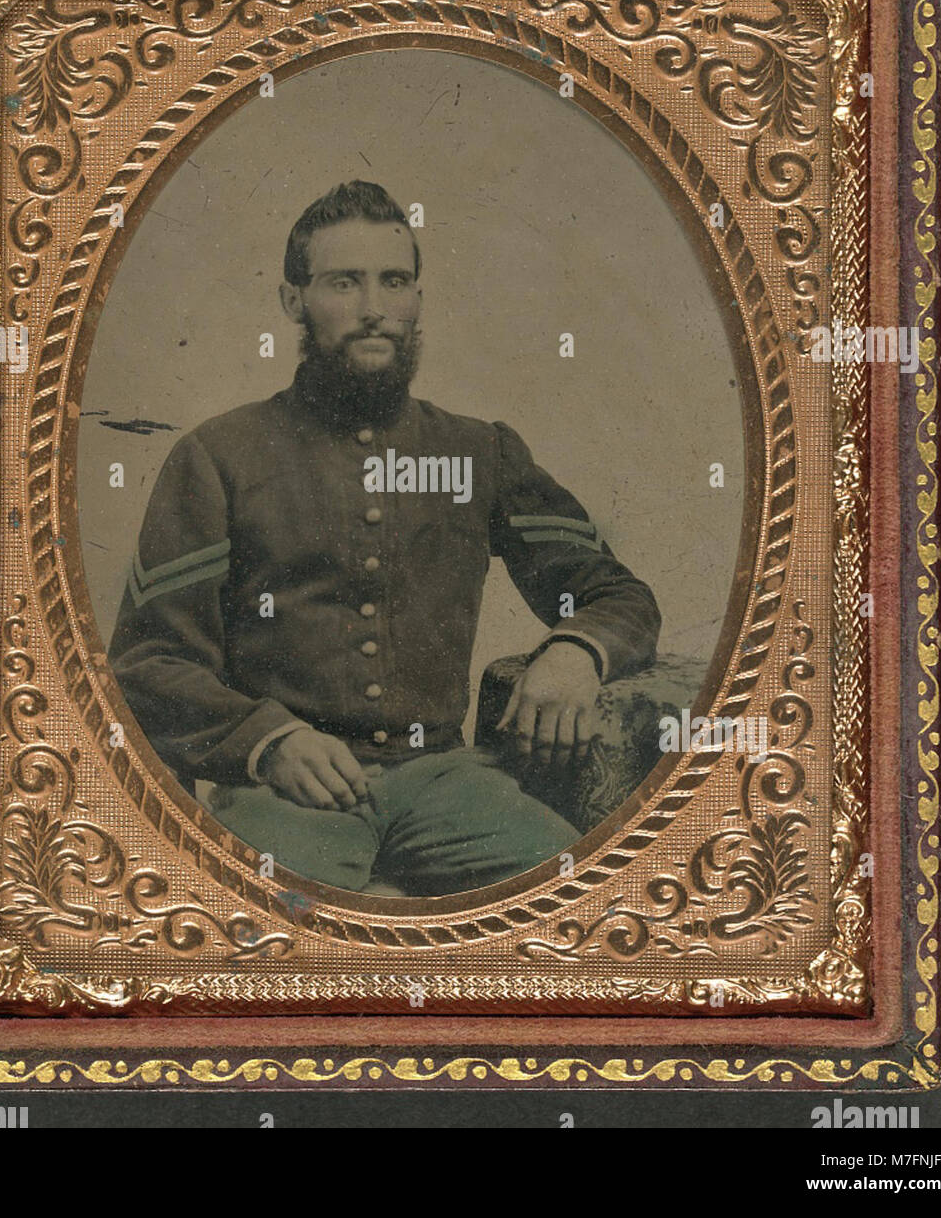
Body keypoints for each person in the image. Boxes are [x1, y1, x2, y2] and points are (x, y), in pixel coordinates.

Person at [108, 181, 660, 895]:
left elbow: (616, 595)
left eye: (393, 282)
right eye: (344, 282)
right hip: (289, 798)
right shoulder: (218, 456)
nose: (373, 309)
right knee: (266, 948)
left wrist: (574, 650)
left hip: (450, 783)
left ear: (417, 301)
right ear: (292, 300)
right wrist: (267, 743)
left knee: (584, 905)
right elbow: (147, 660)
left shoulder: (476, 450)